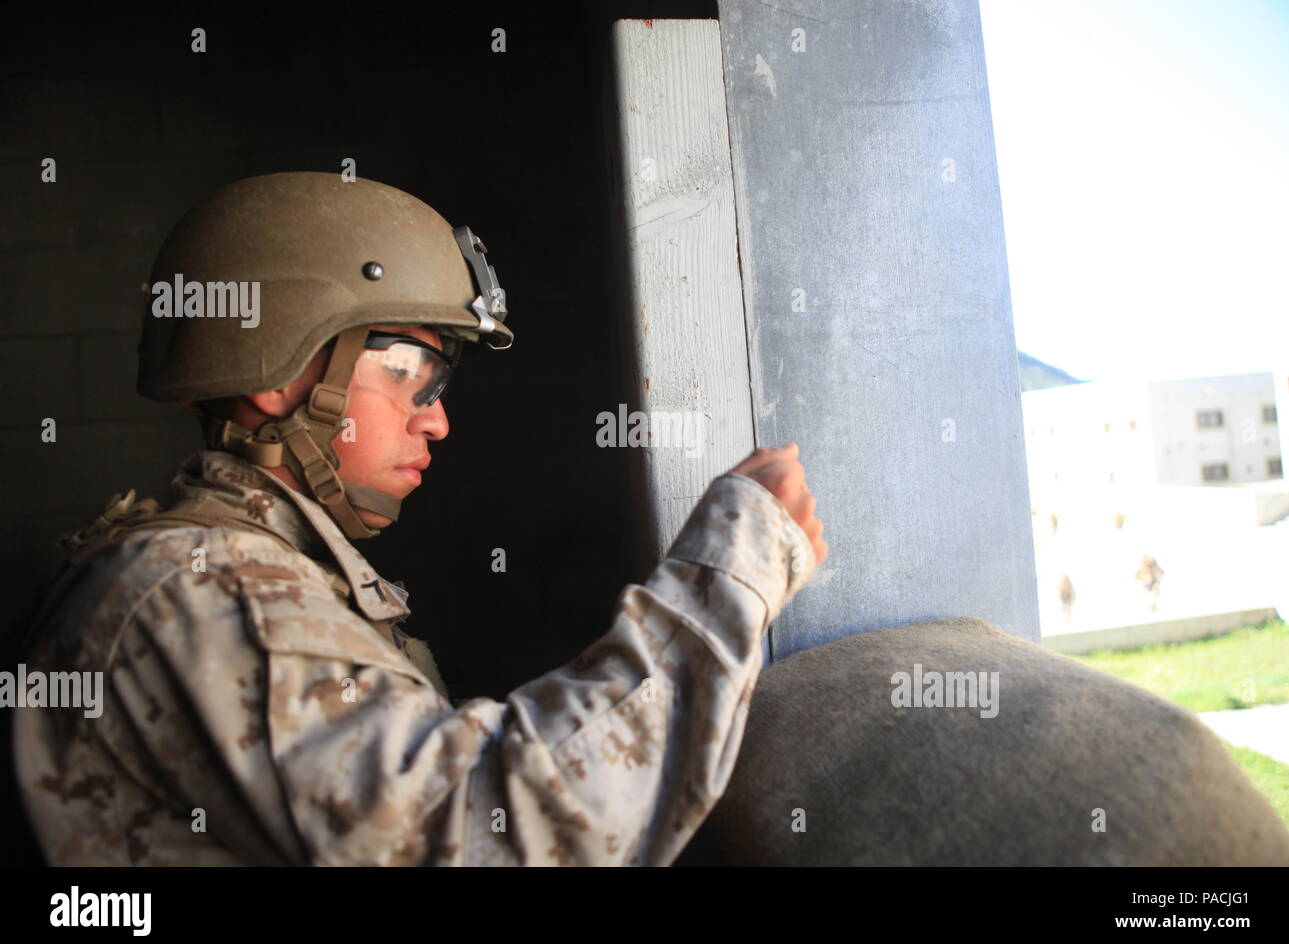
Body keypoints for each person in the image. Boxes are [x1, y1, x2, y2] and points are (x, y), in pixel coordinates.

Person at [11, 172, 827, 865]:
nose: (436, 420)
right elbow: (486, 832)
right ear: (279, 375)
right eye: (410, 371)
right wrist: (733, 568)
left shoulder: (241, 573)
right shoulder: (204, 591)